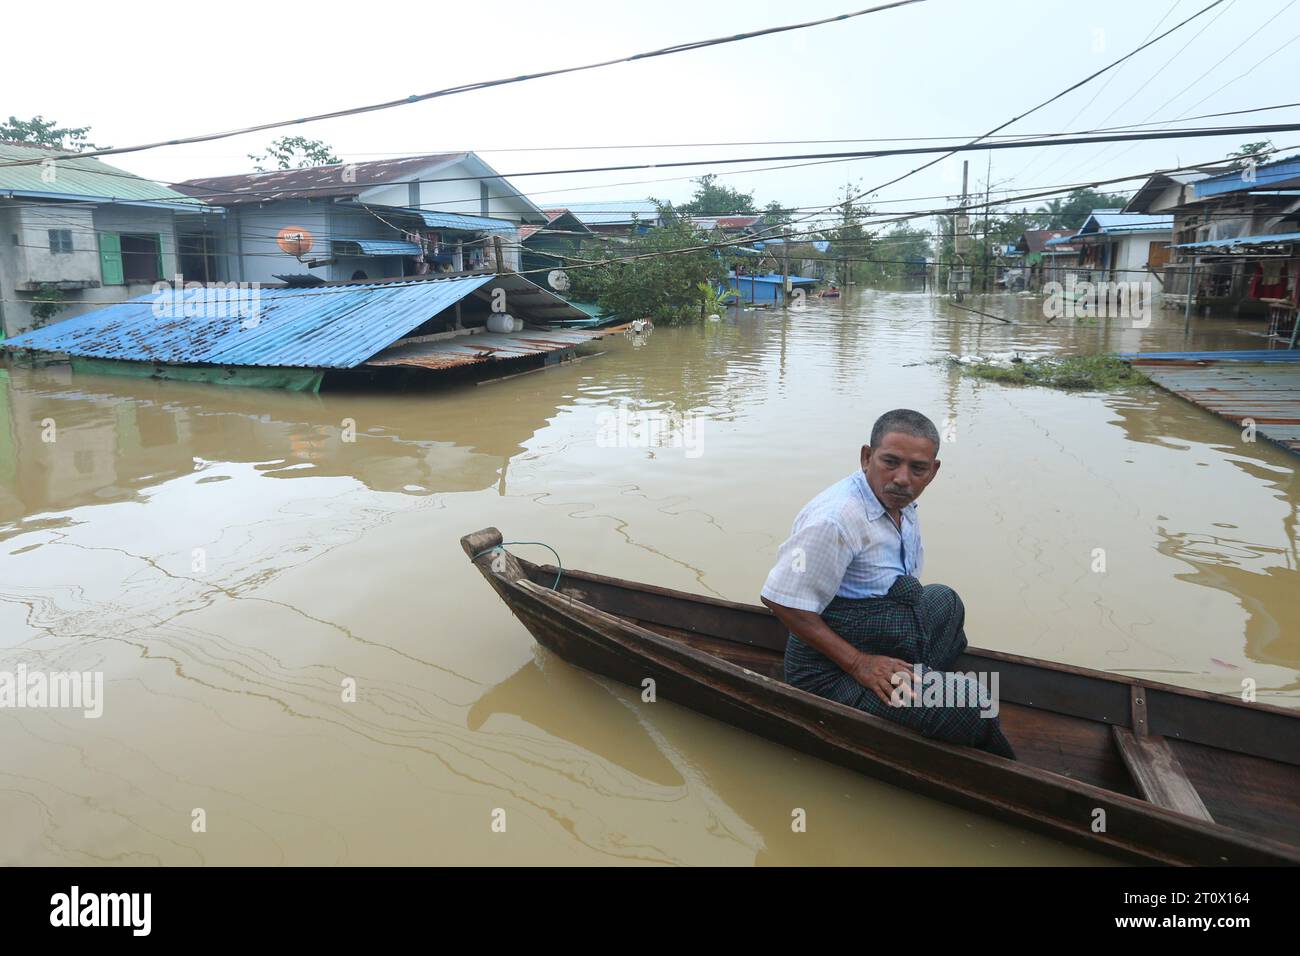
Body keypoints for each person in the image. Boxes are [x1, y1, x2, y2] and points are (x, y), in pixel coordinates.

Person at [760, 409, 1015, 759]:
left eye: (918, 469)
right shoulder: (836, 519)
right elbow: (781, 600)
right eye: (890, 462)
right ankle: (923, 702)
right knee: (972, 705)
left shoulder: (902, 503)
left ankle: (911, 692)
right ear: (867, 457)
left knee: (945, 602)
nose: (902, 479)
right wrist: (859, 664)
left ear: (933, 471)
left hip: (881, 636)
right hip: (829, 671)